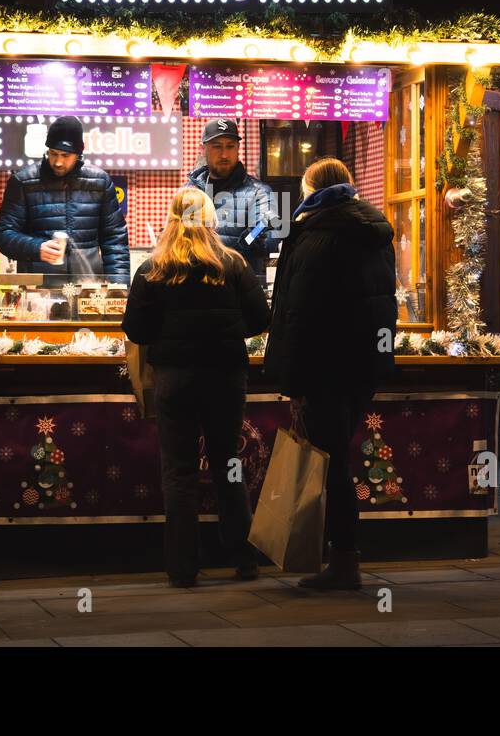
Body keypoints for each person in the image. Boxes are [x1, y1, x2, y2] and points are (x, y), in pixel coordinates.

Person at [122, 186, 270, 587]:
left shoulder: (153, 267)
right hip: (225, 375)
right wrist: (226, 329)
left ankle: (183, 568)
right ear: (210, 219)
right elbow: (261, 318)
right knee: (229, 464)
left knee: (179, 471)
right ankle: (244, 557)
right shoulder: (232, 264)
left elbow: (135, 328)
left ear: (171, 218)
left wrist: (167, 334)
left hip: (174, 378)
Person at [262, 158, 397, 590]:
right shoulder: (373, 230)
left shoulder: (317, 235)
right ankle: (342, 558)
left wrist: (292, 379)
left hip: (324, 368)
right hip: (362, 366)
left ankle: (342, 563)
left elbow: (299, 315)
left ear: (312, 190)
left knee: (332, 463)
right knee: (338, 457)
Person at [0, 115, 130, 283]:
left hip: (88, 286)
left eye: (65, 155)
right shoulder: (23, 182)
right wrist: (37, 247)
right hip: (36, 289)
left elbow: (115, 240)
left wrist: (119, 288)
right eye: (53, 153)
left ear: (80, 152)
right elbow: (3, 234)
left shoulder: (100, 182)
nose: (58, 162)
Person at [185, 119, 277, 281]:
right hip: (192, 287)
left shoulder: (259, 193)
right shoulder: (189, 192)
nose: (224, 154)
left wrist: (250, 239)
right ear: (204, 149)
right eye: (217, 146)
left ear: (238, 148)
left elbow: (270, 240)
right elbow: (174, 238)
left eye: (230, 146)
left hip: (239, 288)